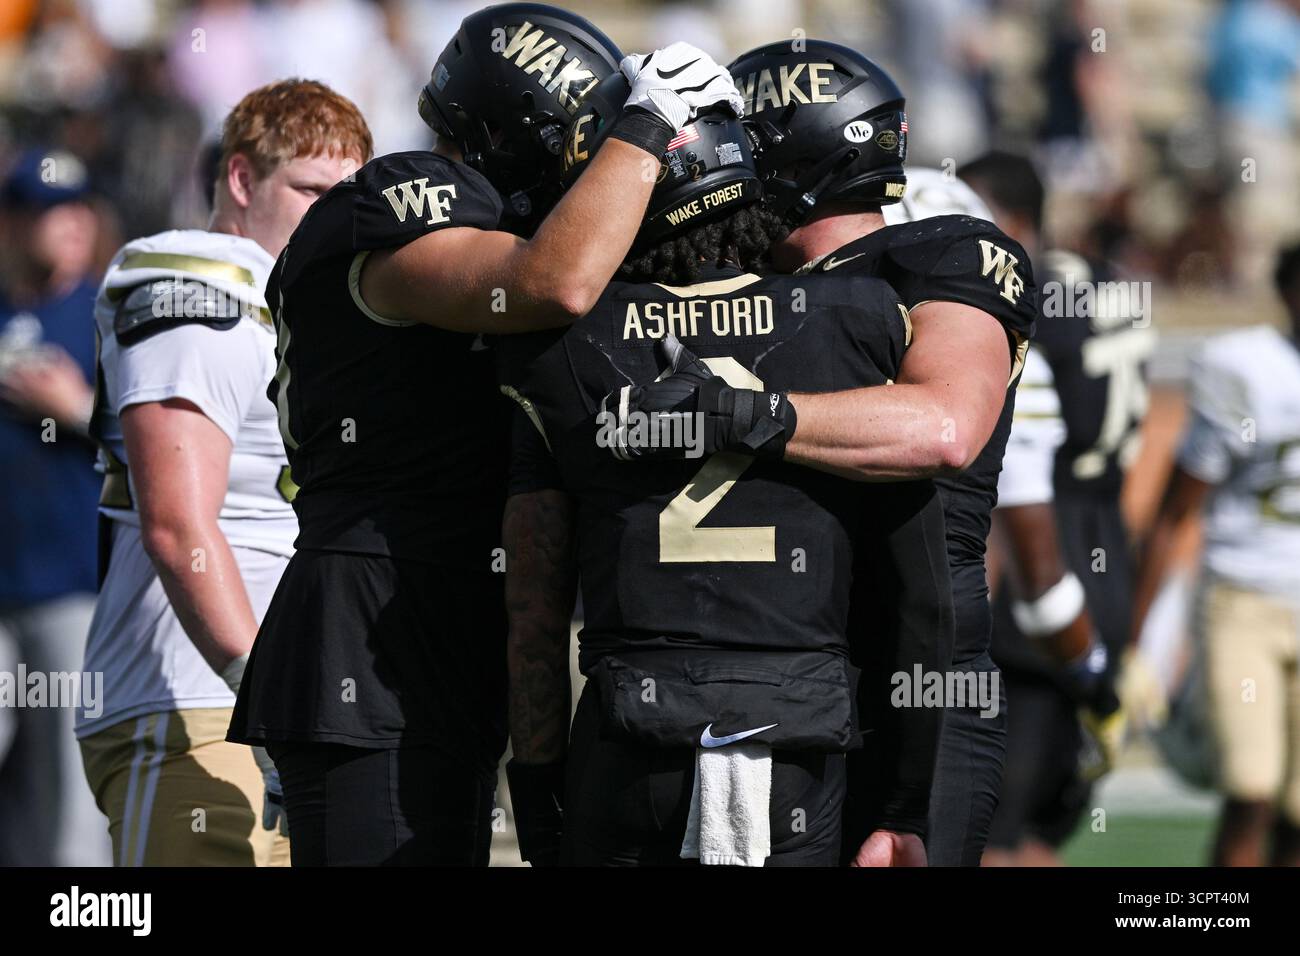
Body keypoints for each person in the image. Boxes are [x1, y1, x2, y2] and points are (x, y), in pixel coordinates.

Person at [227, 3, 745, 866]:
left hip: (440, 622)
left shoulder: (481, 224)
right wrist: (650, 126)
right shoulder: (397, 207)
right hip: (372, 623)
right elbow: (551, 283)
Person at [499, 79, 951, 866]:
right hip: (797, 738)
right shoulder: (860, 318)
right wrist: (904, 798)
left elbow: (533, 615)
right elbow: (919, 594)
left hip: (629, 734)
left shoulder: (562, 346)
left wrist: (536, 786)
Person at [616, 41, 1038, 865]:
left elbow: (942, 428)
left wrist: (746, 413)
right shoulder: (736, 282)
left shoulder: (941, 254)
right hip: (777, 676)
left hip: (917, 682)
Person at [78, 78, 372, 867]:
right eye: (312, 191)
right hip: (197, 701)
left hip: (280, 706)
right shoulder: (203, 283)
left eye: (348, 197)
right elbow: (178, 527)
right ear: (241, 180)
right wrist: (266, 694)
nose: (334, 216)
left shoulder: (294, 302)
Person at [959, 151, 1149, 865]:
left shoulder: (1022, 292)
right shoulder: (1111, 285)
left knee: (994, 828)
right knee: (1043, 825)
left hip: (1035, 558)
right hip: (1105, 556)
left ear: (1007, 218)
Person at [1132, 243, 1300, 866]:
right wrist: (1133, 638)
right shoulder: (1248, 367)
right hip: (1244, 597)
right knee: (1251, 790)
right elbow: (1175, 510)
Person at [0, 147, 110, 866]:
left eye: (76, 208)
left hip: (72, 589)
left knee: (68, 802)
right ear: (10, 223)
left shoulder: (110, 312)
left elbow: (164, 441)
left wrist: (76, 408)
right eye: (47, 212)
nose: (68, 224)